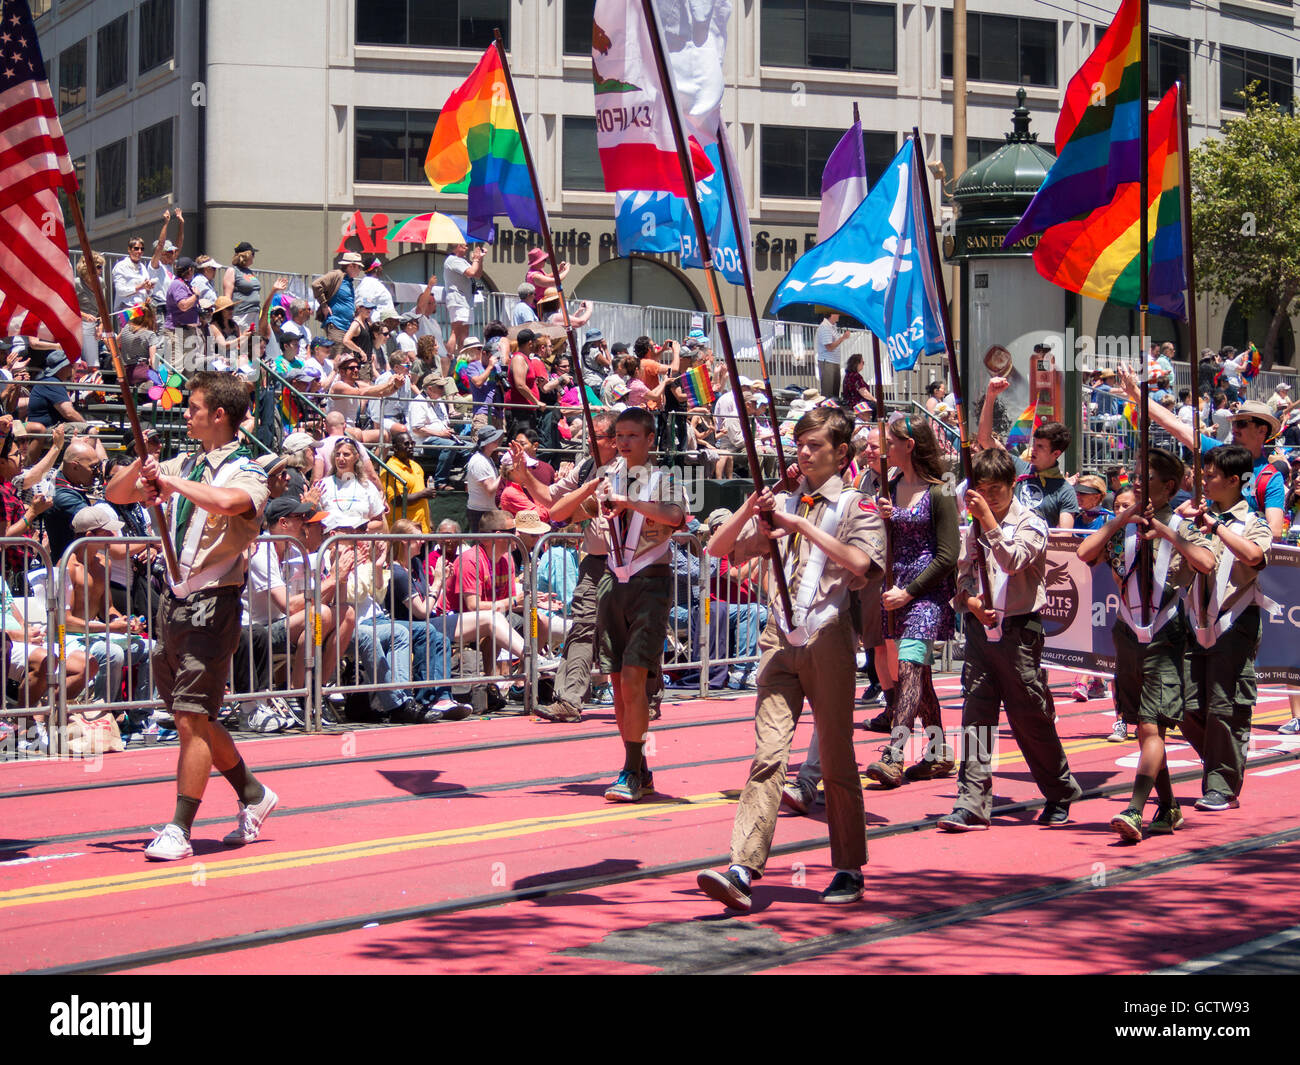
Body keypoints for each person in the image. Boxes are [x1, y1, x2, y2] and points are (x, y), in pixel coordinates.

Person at [697, 405, 880, 910]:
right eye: (799, 443)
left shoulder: (855, 505)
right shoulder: (785, 501)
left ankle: (847, 866)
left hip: (828, 636)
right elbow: (721, 551)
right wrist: (755, 512)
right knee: (767, 755)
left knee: (838, 761)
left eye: (814, 445)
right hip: (780, 639)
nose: (803, 451)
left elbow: (861, 562)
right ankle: (742, 866)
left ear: (842, 453)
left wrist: (800, 521)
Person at [105, 371, 276, 861]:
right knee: (192, 718)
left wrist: (171, 481)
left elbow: (228, 503)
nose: (185, 413)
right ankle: (253, 794)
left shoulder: (252, 467)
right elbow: (119, 493)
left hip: (213, 602)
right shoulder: (183, 460)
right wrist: (144, 465)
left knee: (190, 716)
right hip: (170, 602)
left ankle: (179, 827)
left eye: (194, 406)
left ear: (218, 415)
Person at [937, 448, 1082, 831]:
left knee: (1030, 715)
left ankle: (1059, 790)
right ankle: (971, 801)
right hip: (980, 633)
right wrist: (969, 601)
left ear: (1012, 486)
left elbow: (1013, 560)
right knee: (976, 716)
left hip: (1019, 632)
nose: (989, 496)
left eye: (996, 489)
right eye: (982, 490)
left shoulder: (1031, 522)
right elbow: (961, 578)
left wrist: (987, 521)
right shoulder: (971, 528)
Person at [1077, 448, 1212, 842]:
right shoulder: (1122, 525)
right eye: (1132, 475)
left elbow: (1205, 562)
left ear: (1168, 487)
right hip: (1126, 635)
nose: (1134, 481)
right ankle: (1168, 806)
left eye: (1144, 477)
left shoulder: (1183, 523)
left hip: (1166, 635)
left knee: (1152, 728)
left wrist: (1169, 532)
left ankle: (1135, 809)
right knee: (1141, 728)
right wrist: (1122, 516)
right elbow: (1086, 553)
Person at [578, 408, 686, 800]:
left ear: (651, 439)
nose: (623, 442)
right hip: (613, 580)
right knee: (618, 684)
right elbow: (562, 512)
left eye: (632, 436)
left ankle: (630, 770)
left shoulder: (666, 478)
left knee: (634, 678)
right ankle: (638, 766)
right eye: (618, 435)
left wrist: (631, 502)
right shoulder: (606, 478)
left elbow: (676, 516)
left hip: (650, 582)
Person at [1179, 445, 1275, 814]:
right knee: (1184, 704)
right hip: (1193, 619)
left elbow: (1254, 556)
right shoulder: (1194, 516)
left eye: (1212, 474)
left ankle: (1221, 784)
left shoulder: (1253, 520)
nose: (1203, 480)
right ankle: (1223, 759)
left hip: (1234, 623)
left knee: (1225, 705)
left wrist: (1216, 526)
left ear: (1234, 481)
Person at [865, 414, 959, 787]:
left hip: (926, 594)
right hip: (894, 590)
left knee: (907, 669)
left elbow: (948, 554)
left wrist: (911, 590)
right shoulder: (889, 484)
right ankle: (937, 754)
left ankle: (894, 754)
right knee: (920, 676)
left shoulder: (941, 490)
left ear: (910, 445)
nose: (885, 448)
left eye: (891, 441)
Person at [1116, 365, 1286, 538]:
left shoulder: (1270, 477)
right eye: (1234, 423)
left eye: (1241, 424)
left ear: (1262, 430)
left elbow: (1276, 531)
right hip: (1204, 553)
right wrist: (1136, 393)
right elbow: (1172, 424)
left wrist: (1222, 530)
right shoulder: (1217, 452)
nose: (1234, 429)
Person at [977, 376, 1080, 528]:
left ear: (1056, 453)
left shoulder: (1065, 491)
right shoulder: (1018, 468)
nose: (1033, 449)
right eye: (1034, 444)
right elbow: (985, 439)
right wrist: (990, 396)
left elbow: (1063, 536)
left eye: (1040, 447)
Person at [443, 241, 486, 356]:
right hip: (458, 299)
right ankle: (448, 360)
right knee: (455, 331)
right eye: (465, 246)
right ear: (457, 247)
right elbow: (471, 272)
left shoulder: (462, 261)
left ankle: (461, 359)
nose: (467, 248)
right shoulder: (453, 260)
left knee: (464, 332)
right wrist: (476, 259)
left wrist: (480, 259)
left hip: (465, 301)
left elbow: (478, 274)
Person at [223, 242, 262, 329]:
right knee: (242, 341)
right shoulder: (232, 271)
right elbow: (227, 297)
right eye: (253, 254)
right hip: (241, 315)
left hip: (254, 314)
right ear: (247, 255)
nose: (254, 257)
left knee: (254, 341)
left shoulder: (249, 272)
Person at [112, 235, 155, 311]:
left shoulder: (143, 267)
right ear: (129, 249)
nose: (139, 251)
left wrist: (148, 289)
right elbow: (120, 291)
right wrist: (139, 287)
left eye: (142, 249)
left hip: (141, 307)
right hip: (125, 307)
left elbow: (148, 292)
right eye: (136, 248)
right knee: (132, 323)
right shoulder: (120, 266)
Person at [815, 309, 850, 400]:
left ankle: (833, 412)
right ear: (831, 314)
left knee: (835, 391)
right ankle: (826, 412)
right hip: (827, 362)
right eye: (837, 313)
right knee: (828, 392)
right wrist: (843, 338)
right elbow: (829, 347)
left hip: (833, 362)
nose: (839, 315)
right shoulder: (825, 327)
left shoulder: (832, 327)